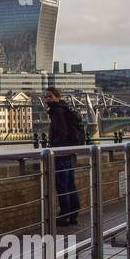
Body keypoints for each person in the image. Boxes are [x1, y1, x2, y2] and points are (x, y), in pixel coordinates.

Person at [45, 87, 83, 227]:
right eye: (46, 97)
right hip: (70, 152)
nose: (47, 99)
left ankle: (65, 216)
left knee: (62, 186)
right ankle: (73, 215)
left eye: (49, 96)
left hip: (61, 154)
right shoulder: (65, 109)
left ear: (57, 97)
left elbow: (61, 132)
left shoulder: (58, 111)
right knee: (70, 184)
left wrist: (56, 148)